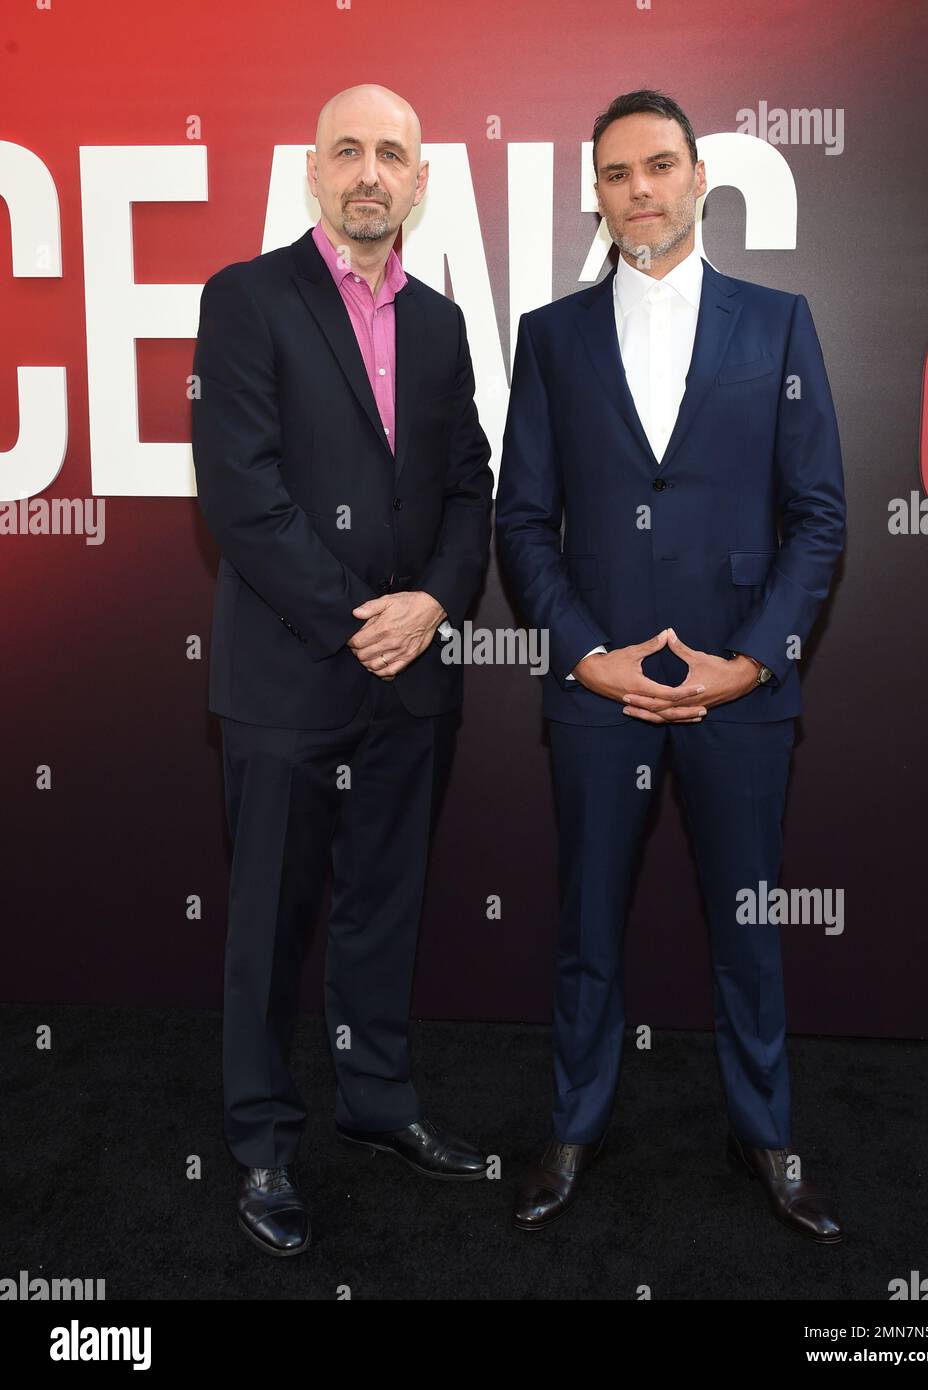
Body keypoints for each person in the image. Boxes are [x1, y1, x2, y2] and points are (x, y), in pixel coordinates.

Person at [496, 89, 846, 1242]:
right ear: (595, 194)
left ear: (700, 180)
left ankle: (767, 1132)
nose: (638, 189)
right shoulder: (550, 337)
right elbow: (521, 523)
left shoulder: (779, 322)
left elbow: (819, 519)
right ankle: (573, 1128)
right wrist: (588, 657)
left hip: (739, 699)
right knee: (587, 930)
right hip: (597, 701)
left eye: (657, 167)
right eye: (614, 173)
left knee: (747, 930)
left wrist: (745, 664)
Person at [191, 84, 494, 1256]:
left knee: (384, 907)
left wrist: (431, 604)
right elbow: (243, 497)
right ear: (311, 174)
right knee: (269, 920)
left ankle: (375, 1103)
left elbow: (469, 488)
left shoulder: (444, 325)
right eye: (349, 151)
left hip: (412, 674)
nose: (371, 171)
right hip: (288, 676)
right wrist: (358, 617)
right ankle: (264, 1143)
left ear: (420, 182)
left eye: (394, 155)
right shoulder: (246, 299)